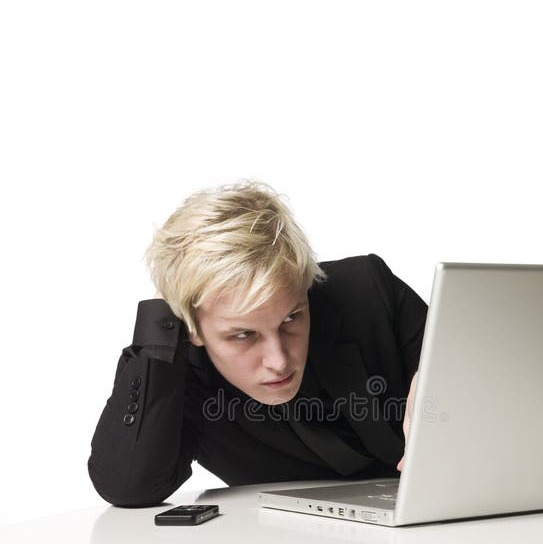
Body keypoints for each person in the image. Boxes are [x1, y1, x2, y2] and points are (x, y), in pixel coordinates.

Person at [87, 181, 427, 507]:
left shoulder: (369, 290)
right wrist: (163, 320)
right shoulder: (180, 372)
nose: (279, 361)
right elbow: (128, 485)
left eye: (291, 318)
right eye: (243, 335)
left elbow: (456, 384)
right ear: (192, 329)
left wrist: (438, 382)